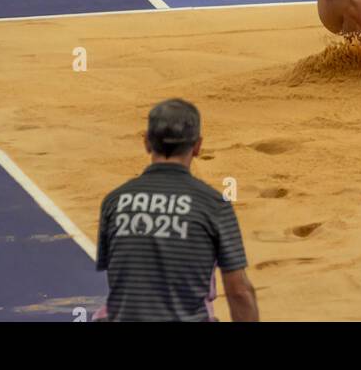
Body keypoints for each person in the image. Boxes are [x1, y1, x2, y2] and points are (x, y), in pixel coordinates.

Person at [94, 99, 259, 322]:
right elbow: (239, 292)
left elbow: (121, 279)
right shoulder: (213, 204)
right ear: (198, 146)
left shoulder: (113, 202)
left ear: (146, 143)